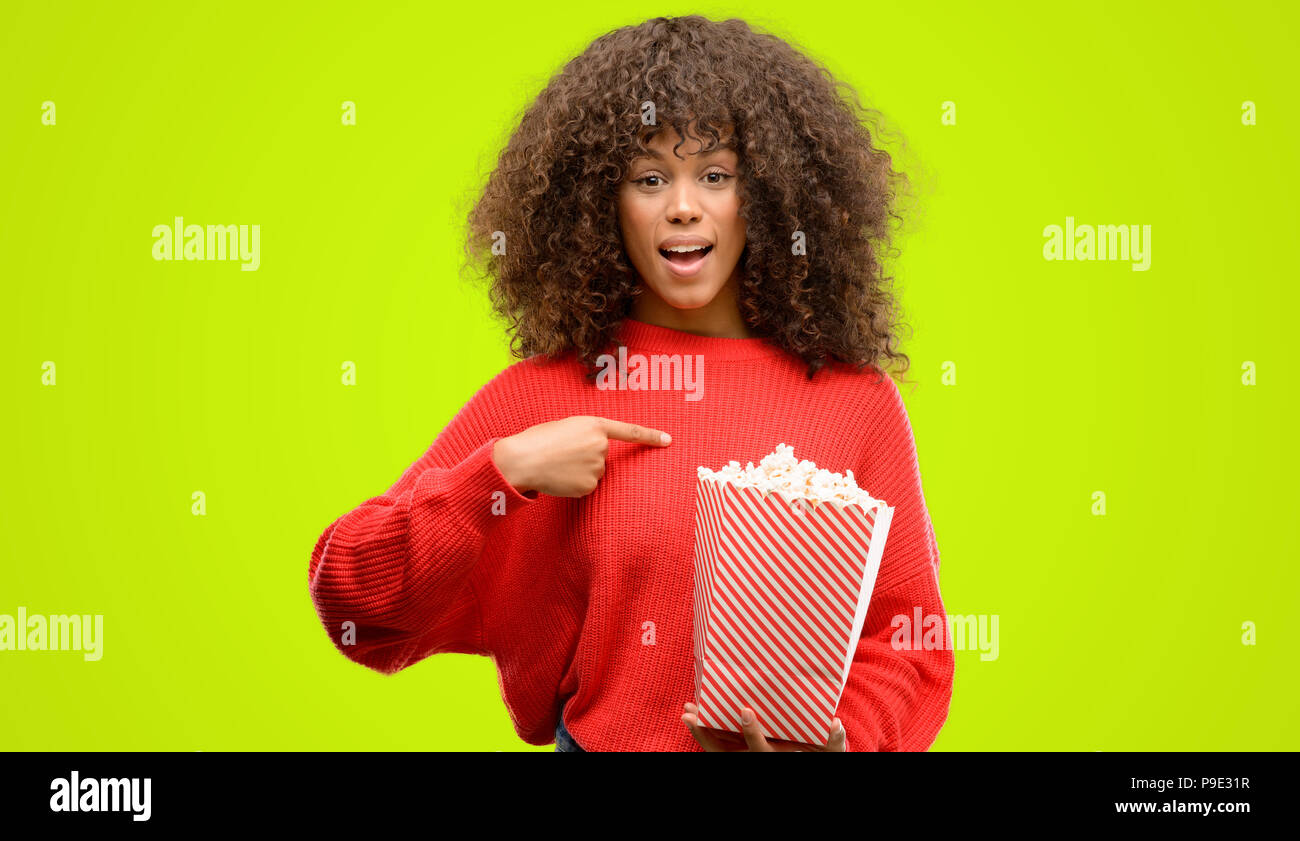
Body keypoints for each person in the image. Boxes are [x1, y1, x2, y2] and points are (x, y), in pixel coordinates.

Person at [308, 14, 953, 752]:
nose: (683, 205)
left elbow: (910, 639)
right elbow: (353, 595)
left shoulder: (853, 402)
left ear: (770, 195)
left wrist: (848, 741)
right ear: (598, 204)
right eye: (649, 178)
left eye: (716, 174)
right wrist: (502, 472)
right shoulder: (542, 397)